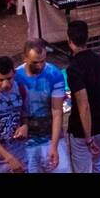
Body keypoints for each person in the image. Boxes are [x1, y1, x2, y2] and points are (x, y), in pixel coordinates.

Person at [65, 20, 100, 173]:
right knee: (99, 166)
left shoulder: (74, 68)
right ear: (87, 38)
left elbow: (84, 105)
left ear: (69, 40)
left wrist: (88, 137)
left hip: (81, 131)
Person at [15, 39, 67, 173]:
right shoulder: (15, 77)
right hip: (26, 141)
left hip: (50, 136)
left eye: (43, 61)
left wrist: (54, 146)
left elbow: (57, 111)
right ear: (24, 58)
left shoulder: (54, 74)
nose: (39, 66)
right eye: (35, 62)